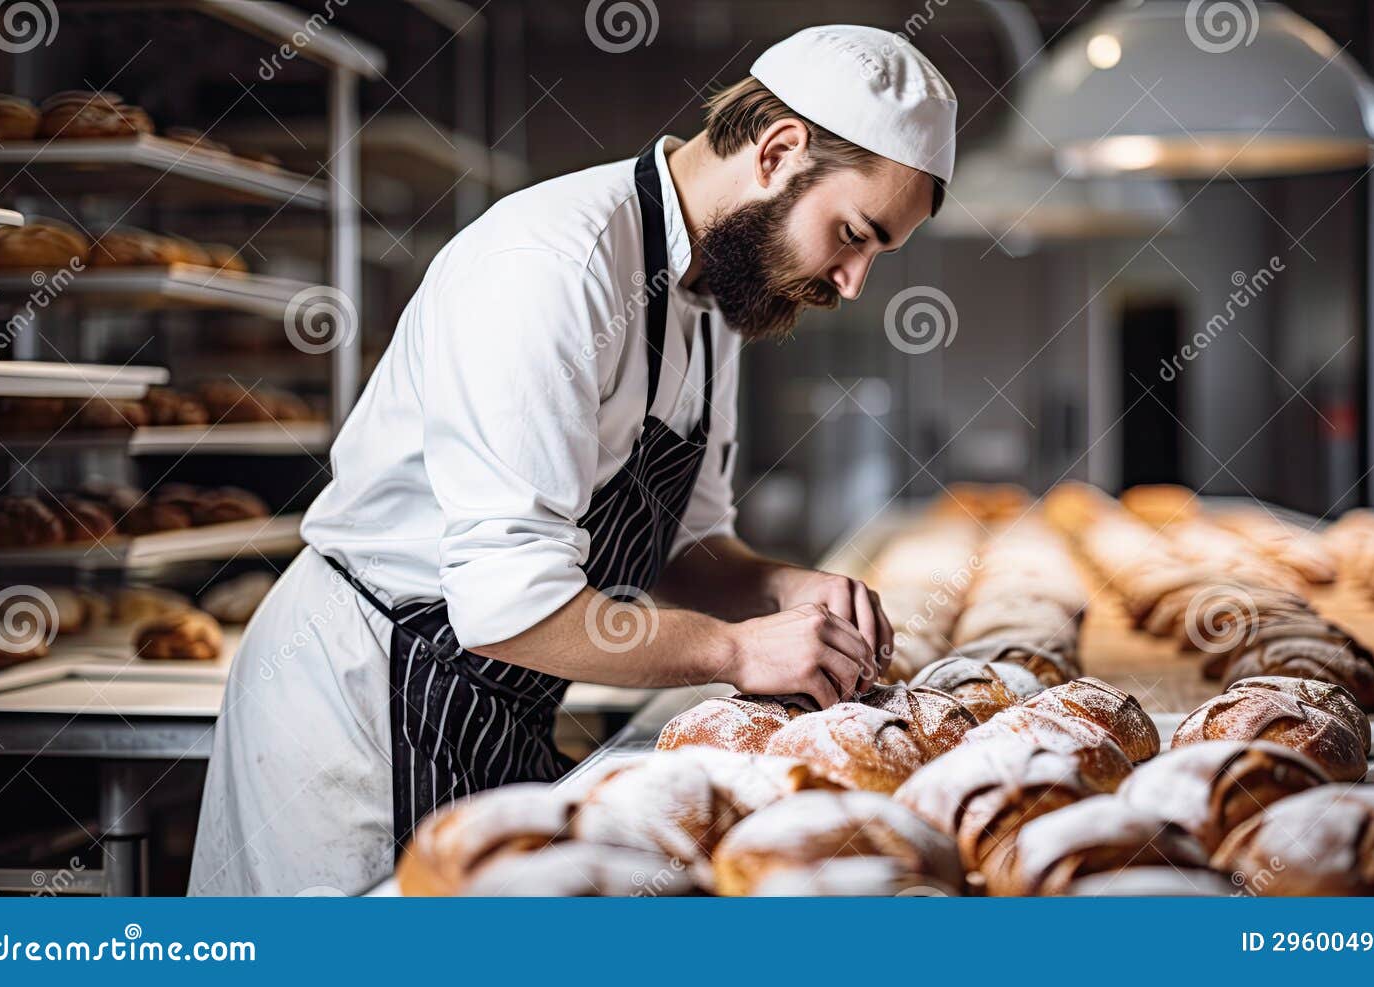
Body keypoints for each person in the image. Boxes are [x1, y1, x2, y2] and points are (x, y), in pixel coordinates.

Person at [189, 24, 957, 896]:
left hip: (498, 702)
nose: (854, 281)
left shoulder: (713, 305)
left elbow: (686, 546)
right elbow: (507, 604)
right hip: (372, 702)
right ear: (780, 151)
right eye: (854, 235)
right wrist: (740, 652)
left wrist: (781, 591)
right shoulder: (557, 265)